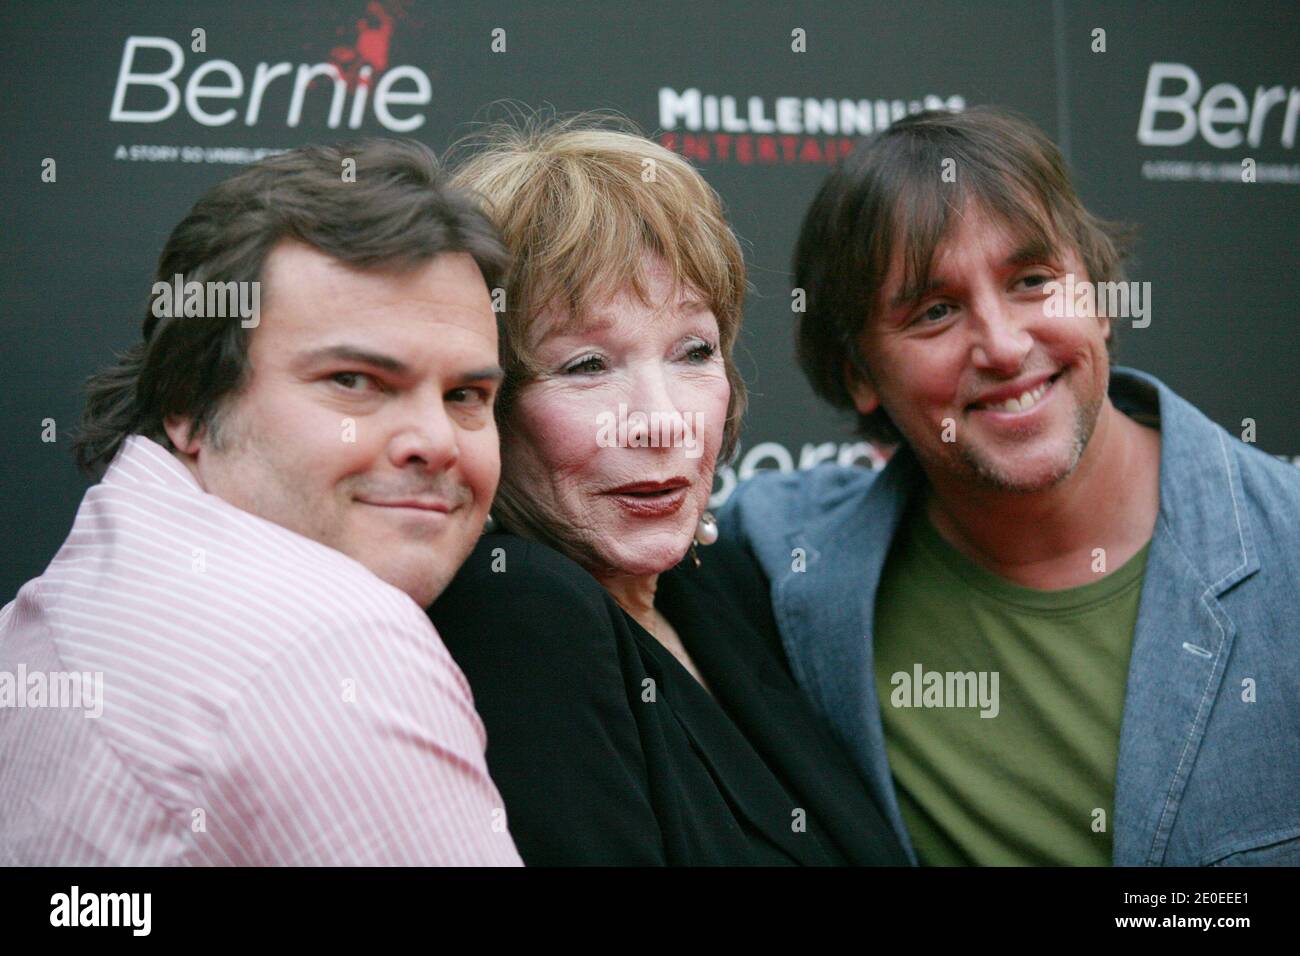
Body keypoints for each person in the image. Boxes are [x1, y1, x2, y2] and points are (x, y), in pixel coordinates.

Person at [719, 106, 1300, 866]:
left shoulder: (1287, 548)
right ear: (859, 374)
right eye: (935, 312)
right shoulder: (786, 555)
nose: (1002, 345)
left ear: (1099, 296)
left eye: (1032, 281)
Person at [0, 139, 522, 866]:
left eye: (466, 395)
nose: (436, 442)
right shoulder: (338, 647)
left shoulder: (60, 602)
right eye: (355, 381)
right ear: (190, 401)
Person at [427, 116, 908, 866]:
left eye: (693, 352)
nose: (662, 422)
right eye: (587, 366)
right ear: (487, 400)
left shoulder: (716, 580)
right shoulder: (517, 610)